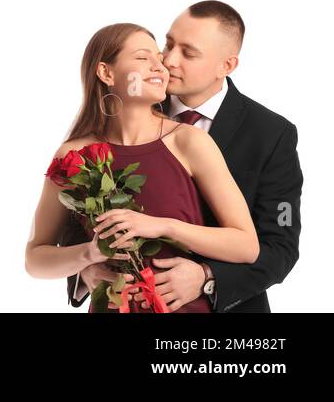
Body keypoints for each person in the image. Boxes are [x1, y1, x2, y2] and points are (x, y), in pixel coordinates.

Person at [63, 2, 302, 312]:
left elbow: (279, 244)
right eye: (169, 44)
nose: (168, 60)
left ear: (226, 66)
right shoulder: (130, 109)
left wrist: (207, 277)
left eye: (189, 54)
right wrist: (86, 269)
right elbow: (75, 220)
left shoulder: (271, 133)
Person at [25, 23, 259, 312]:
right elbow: (35, 260)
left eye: (158, 58)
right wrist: (89, 254)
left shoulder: (189, 142)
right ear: (106, 73)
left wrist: (162, 226)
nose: (160, 66)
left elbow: (247, 245)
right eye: (142, 57)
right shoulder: (73, 154)